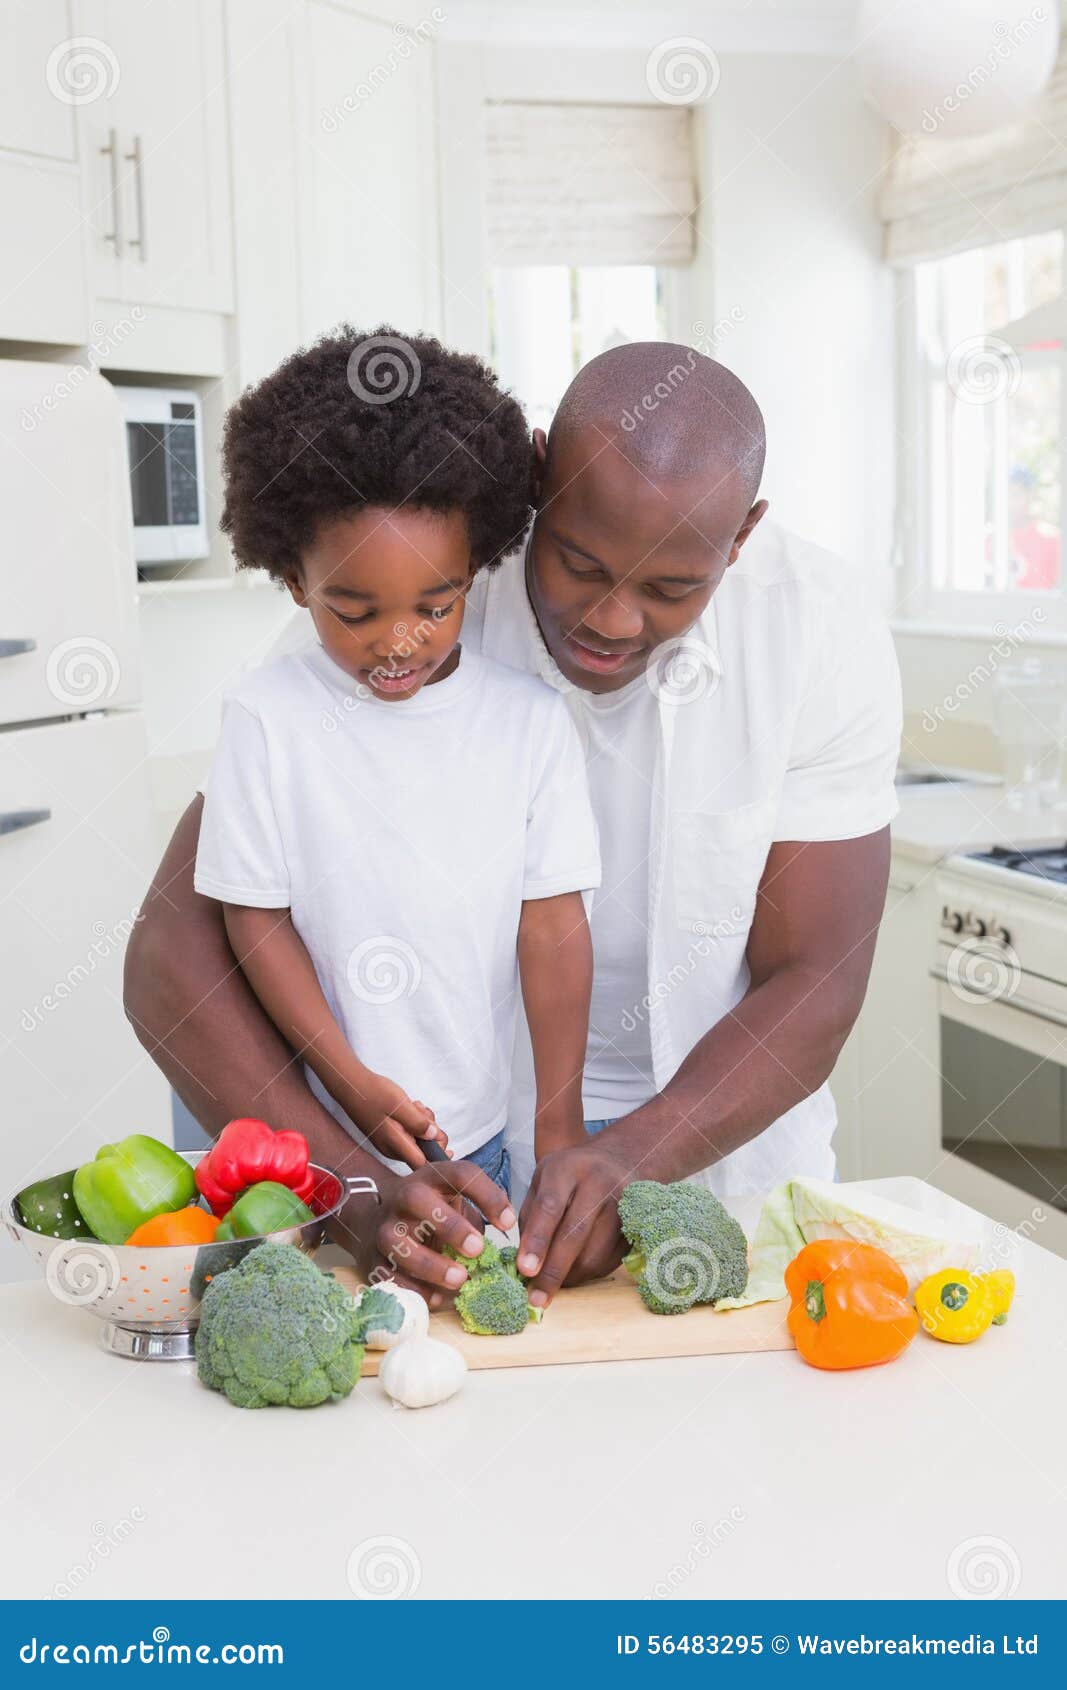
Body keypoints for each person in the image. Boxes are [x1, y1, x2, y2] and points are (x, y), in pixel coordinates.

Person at [125, 338, 901, 1310]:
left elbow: (816, 976)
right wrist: (351, 1183)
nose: (612, 621)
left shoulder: (817, 628)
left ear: (739, 538)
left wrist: (633, 1155)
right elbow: (172, 956)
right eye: (578, 563)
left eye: (671, 589)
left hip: (722, 1167)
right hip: (429, 1171)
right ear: (538, 476)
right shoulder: (415, 585)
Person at [178, 328, 601, 1271]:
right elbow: (256, 921)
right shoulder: (266, 717)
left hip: (467, 1138)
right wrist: (352, 1083)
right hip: (304, 1145)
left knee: (453, 1369)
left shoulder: (530, 725)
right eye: (355, 612)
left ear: (478, 568)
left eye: (435, 605)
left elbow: (553, 927)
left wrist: (559, 1125)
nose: (399, 641)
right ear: (294, 580)